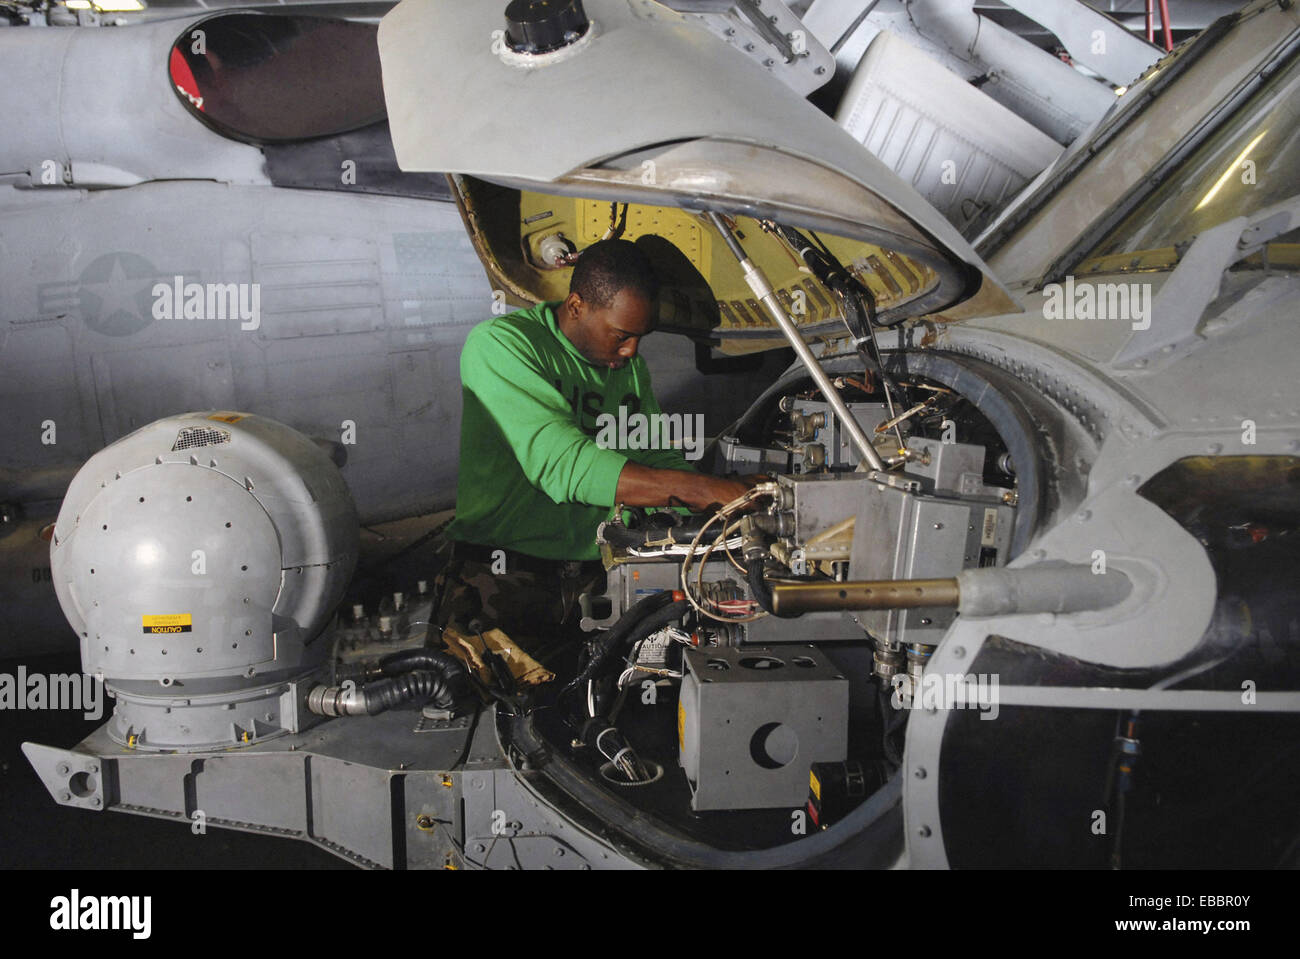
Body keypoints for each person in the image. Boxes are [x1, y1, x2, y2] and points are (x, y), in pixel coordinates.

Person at [434, 239, 752, 651]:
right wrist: (701, 491)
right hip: (502, 578)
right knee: (490, 706)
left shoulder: (626, 367)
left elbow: (655, 454)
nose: (632, 350)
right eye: (621, 335)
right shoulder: (502, 346)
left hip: (594, 575)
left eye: (640, 337)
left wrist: (723, 505)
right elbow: (562, 463)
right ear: (577, 305)